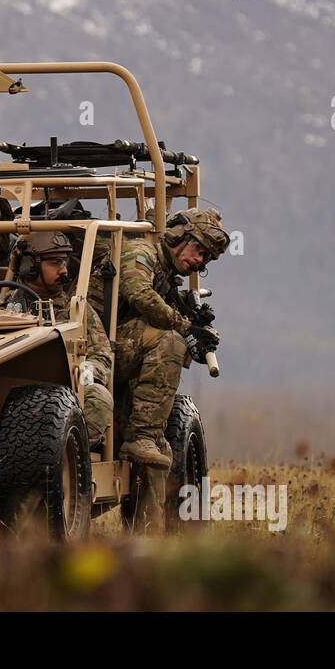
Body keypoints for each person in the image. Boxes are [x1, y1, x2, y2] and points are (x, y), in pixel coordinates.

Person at [110, 207, 228, 488]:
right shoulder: (141, 251)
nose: (199, 261)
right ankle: (142, 436)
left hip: (116, 352)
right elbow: (139, 294)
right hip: (97, 349)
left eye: (206, 258)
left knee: (159, 456)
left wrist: (198, 335)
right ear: (178, 237)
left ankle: (148, 532)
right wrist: (185, 328)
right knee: (170, 340)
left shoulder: (165, 273)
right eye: (198, 250)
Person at [0, 231, 113, 446]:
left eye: (65, 262)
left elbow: (102, 357)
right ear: (28, 266)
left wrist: (82, 373)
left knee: (97, 396)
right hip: (6, 398)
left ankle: (70, 461)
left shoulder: (76, 311)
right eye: (55, 263)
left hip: (64, 400)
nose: (64, 270)